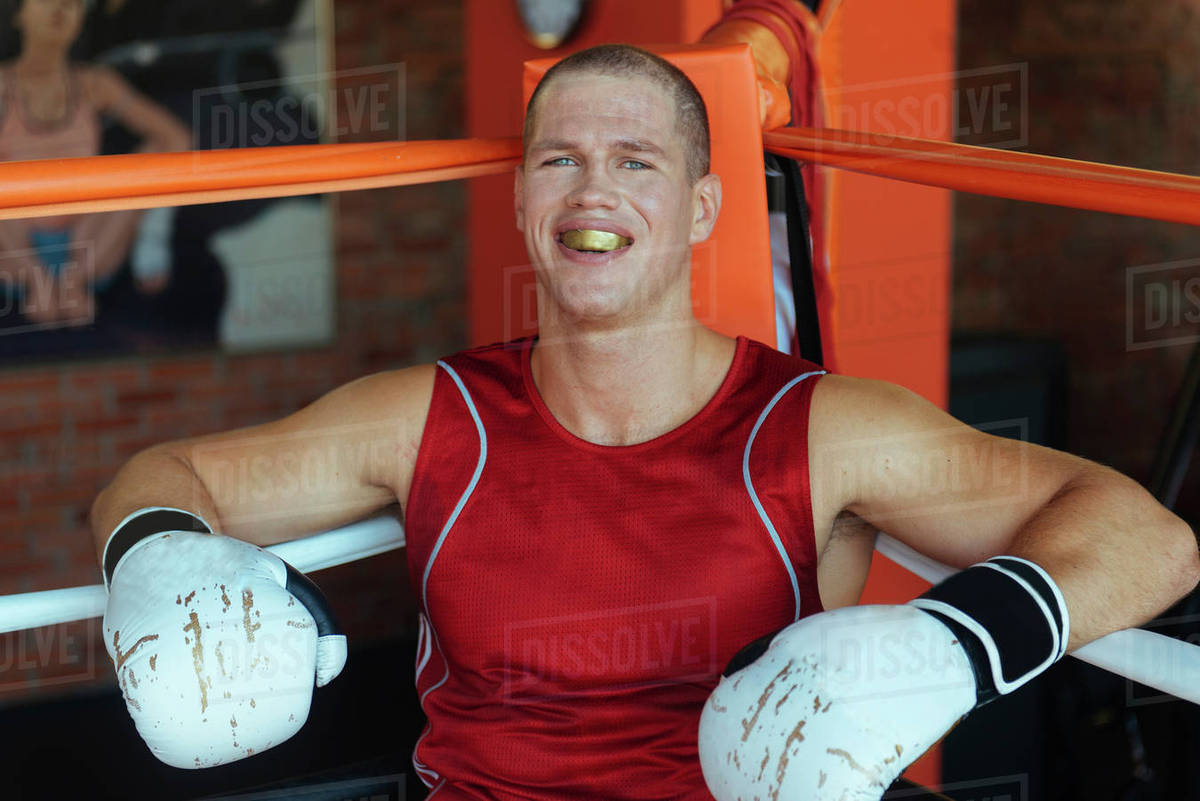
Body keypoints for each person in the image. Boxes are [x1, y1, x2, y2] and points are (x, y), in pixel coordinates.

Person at [90, 44, 1199, 800]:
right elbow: (169, 469)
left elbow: (1148, 537)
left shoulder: (819, 430)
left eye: (636, 162)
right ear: (524, 194)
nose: (592, 195)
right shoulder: (429, 417)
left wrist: (963, 642)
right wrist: (159, 561)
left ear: (702, 209)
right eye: (560, 160)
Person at [0, 0, 189, 327]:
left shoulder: (94, 83)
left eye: (72, 5)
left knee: (141, 167)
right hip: (13, 246)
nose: (60, 11)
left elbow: (174, 140)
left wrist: (153, 238)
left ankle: (70, 281)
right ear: (19, 13)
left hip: (92, 245)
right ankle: (37, 279)